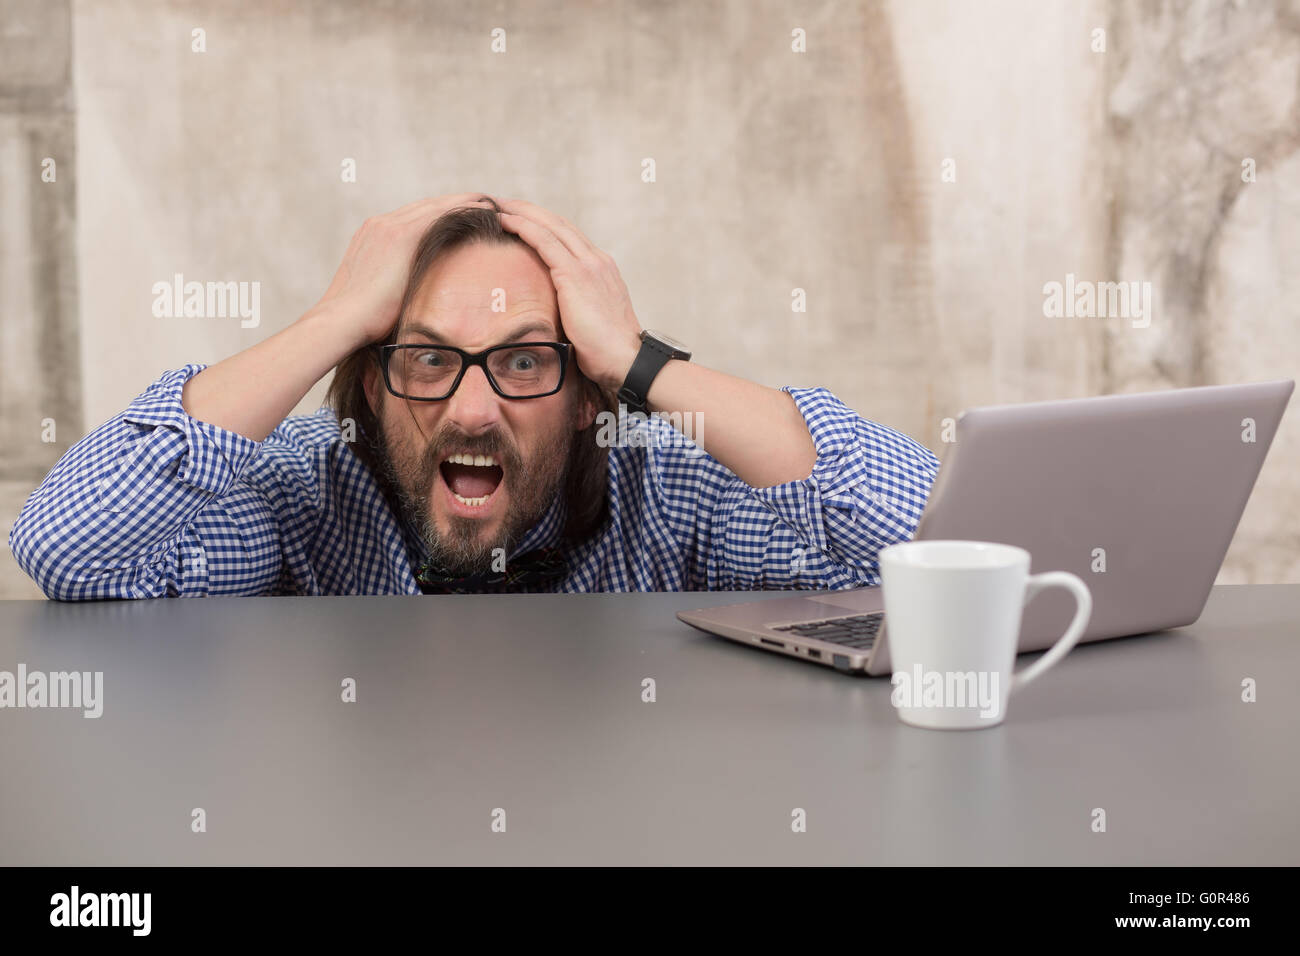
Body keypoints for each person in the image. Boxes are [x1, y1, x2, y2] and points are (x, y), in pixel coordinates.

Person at [9, 194, 940, 598]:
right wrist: (333, 321)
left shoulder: (668, 496)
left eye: (526, 362)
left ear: (587, 397)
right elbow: (65, 547)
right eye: (426, 360)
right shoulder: (303, 494)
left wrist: (641, 359)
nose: (471, 410)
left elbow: (945, 544)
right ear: (370, 389)